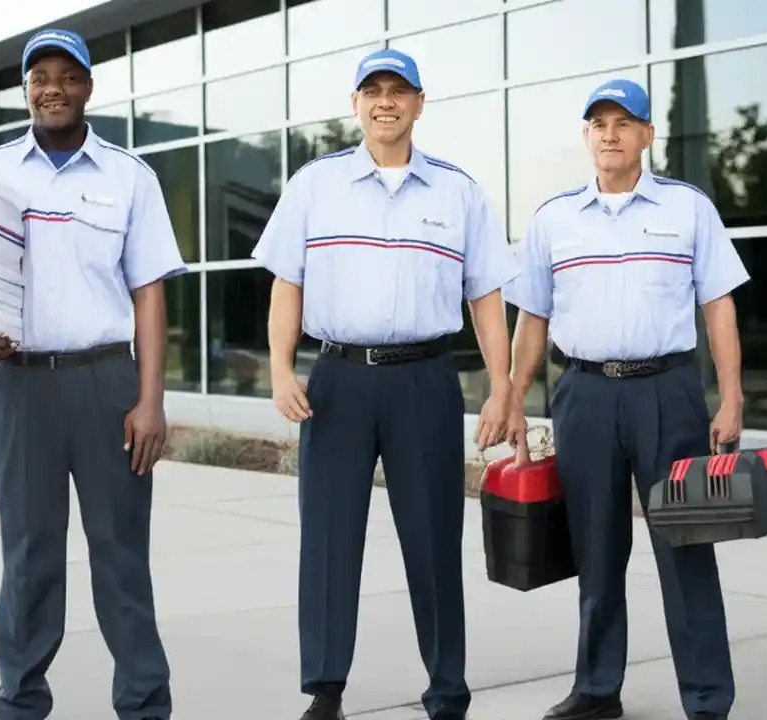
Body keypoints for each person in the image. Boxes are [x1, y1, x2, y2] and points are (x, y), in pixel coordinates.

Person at [250, 48, 525, 720]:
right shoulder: (315, 185)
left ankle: (447, 689)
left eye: (398, 90)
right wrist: (283, 368)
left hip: (425, 382)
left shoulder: (458, 191)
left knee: (433, 538)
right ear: (355, 105)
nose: (385, 101)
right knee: (328, 539)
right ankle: (325, 688)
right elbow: (288, 285)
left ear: (419, 104)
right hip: (337, 380)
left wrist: (503, 388)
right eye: (371, 90)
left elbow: (485, 297)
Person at [0, 28, 185, 720]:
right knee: (29, 554)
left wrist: (152, 401)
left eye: (65, 75)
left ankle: (144, 704)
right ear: (27, 90)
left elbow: (149, 293)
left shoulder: (128, 176)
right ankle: (20, 702)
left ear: (88, 85)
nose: (51, 87)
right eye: (38, 78)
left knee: (122, 557)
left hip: (107, 383)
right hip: (19, 387)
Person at [505, 78, 749, 720]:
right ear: (586, 136)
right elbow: (531, 318)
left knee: (686, 544)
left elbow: (718, 306)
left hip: (668, 393)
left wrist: (732, 399)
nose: (610, 134)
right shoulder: (553, 219)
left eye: (623, 123)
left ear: (647, 135)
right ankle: (596, 689)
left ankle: (706, 698)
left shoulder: (687, 208)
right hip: (583, 394)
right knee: (595, 546)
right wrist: (512, 397)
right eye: (598, 124)